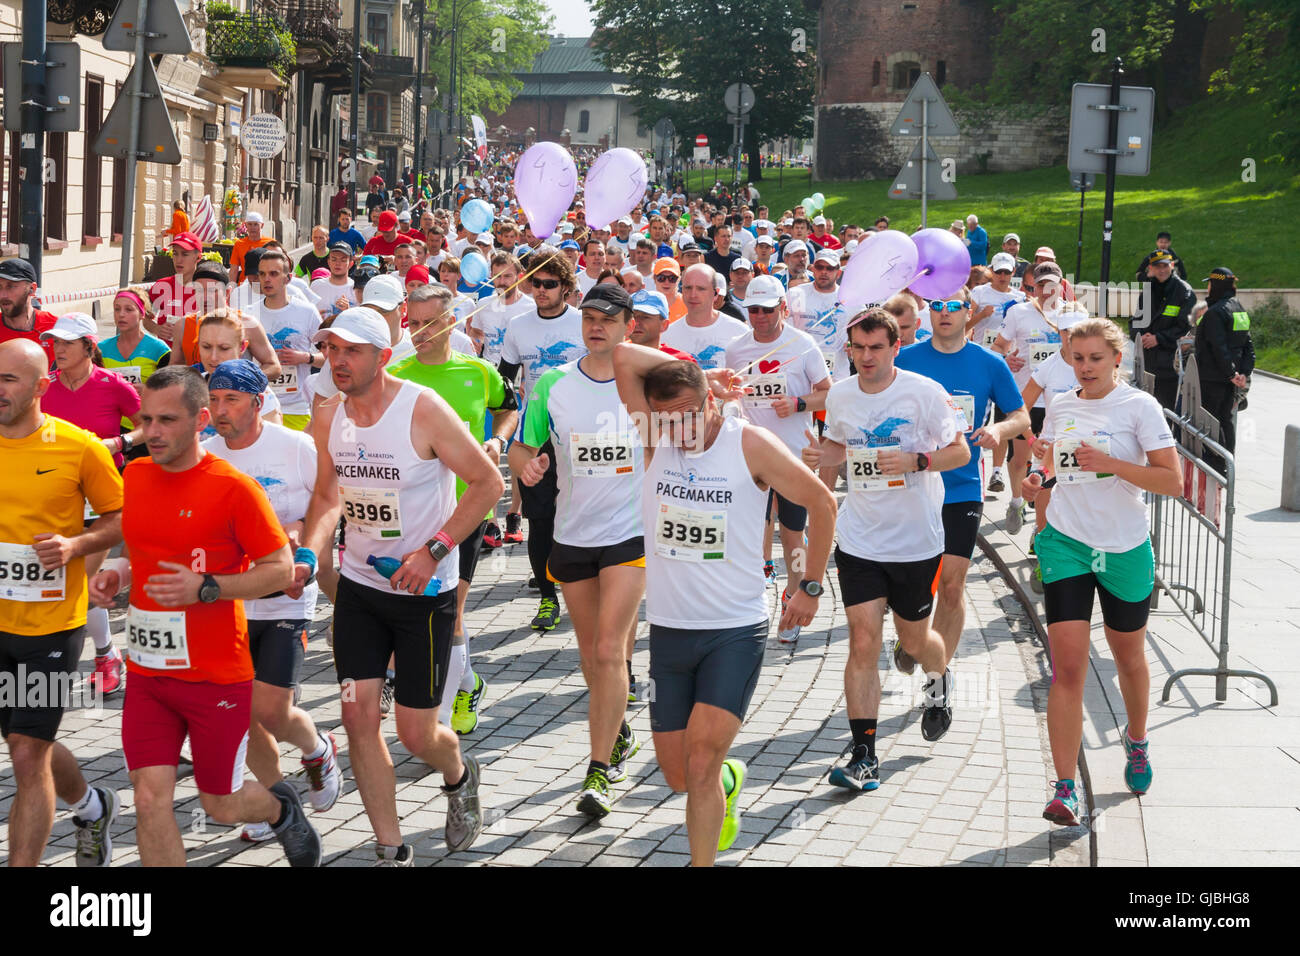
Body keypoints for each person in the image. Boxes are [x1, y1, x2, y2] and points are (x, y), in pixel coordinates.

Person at [88, 365, 323, 866]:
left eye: (166, 420)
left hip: (215, 677)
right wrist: (118, 572)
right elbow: (143, 546)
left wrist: (208, 588)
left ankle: (282, 812)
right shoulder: (138, 475)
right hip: (150, 675)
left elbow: (281, 569)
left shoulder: (234, 488)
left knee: (220, 804)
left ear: (200, 420)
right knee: (150, 800)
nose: (151, 432)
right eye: (146, 420)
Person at [613, 344, 835, 865]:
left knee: (703, 759)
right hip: (669, 627)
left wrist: (809, 585)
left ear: (711, 401)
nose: (679, 428)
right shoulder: (655, 438)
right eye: (666, 418)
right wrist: (700, 369)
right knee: (677, 775)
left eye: (690, 412)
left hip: (735, 628)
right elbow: (623, 355)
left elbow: (822, 503)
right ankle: (729, 782)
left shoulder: (748, 444)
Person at [299, 307, 502, 865]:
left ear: (383, 356)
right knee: (356, 717)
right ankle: (391, 847)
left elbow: (488, 484)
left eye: (351, 351)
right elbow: (325, 498)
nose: (338, 361)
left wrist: (433, 550)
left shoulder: (422, 408)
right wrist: (309, 554)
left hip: (424, 593)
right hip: (360, 590)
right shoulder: (328, 415)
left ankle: (459, 775)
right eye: (331, 350)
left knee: (416, 735)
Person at [1023, 318, 1181, 825]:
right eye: (1078, 358)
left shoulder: (1139, 407)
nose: (1085, 367)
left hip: (1123, 546)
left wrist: (1111, 463)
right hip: (1066, 541)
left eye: (1095, 358)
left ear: (1117, 360)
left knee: (1128, 657)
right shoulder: (1064, 403)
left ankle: (1136, 740)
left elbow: (1172, 481)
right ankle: (1065, 787)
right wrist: (1037, 478)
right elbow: (1051, 462)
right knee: (1066, 669)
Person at [803, 308, 968, 790]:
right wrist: (818, 471)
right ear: (849, 349)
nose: (867, 357)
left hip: (915, 540)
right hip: (860, 537)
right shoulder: (841, 394)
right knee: (862, 641)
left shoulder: (923, 393)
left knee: (916, 643)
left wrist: (919, 458)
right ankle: (864, 756)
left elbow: (959, 452)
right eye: (859, 348)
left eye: (877, 348)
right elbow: (836, 450)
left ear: (896, 347)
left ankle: (939, 683)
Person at [201, 359, 342, 842]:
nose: (219, 410)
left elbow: (327, 502)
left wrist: (301, 543)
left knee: (271, 710)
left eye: (231, 400)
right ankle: (272, 800)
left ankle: (317, 747)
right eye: (214, 400)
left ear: (259, 403)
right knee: (241, 712)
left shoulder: (296, 447)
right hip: (230, 602)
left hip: (285, 598)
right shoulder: (206, 455)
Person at [517, 284, 645, 817]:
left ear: (627, 327)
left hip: (631, 534)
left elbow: (687, 433)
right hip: (573, 536)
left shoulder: (643, 384)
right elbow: (525, 443)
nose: (596, 327)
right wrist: (525, 465)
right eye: (590, 318)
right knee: (592, 653)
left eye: (608, 320)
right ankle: (618, 732)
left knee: (609, 649)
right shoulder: (553, 385)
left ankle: (597, 774)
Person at [0, 338, 124, 867]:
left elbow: (121, 518)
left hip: (50, 624)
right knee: (26, 740)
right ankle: (92, 804)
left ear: (41, 386)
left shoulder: (79, 447)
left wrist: (76, 545)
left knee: (27, 752)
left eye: (9, 380)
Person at [390, 285, 518, 734]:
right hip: (410, 511)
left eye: (430, 322)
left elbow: (510, 408)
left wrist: (497, 440)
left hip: (466, 508)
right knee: (414, 611)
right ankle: (467, 680)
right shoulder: (398, 374)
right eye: (413, 322)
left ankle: (440, 721)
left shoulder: (480, 372)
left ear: (451, 322)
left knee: (453, 611)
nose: (420, 332)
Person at [896, 288, 1030, 672]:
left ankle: (936, 681)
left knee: (952, 586)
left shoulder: (989, 363)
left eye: (954, 306)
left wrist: (999, 430)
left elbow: (1021, 415)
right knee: (913, 587)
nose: (945, 312)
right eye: (937, 304)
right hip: (912, 489)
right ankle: (915, 640)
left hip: (962, 487)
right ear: (929, 312)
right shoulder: (905, 361)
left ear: (968, 313)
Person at [724, 274, 832, 642]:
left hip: (792, 455)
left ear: (783, 308)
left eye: (768, 310)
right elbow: (734, 393)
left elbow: (827, 394)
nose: (760, 317)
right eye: (753, 310)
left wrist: (799, 403)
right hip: (751, 454)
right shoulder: (736, 349)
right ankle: (748, 602)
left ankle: (794, 593)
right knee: (750, 531)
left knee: (792, 534)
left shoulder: (803, 345)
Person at [499, 250, 587, 632]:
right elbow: (504, 379)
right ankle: (549, 599)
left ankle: (583, 590)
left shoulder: (584, 323)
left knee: (580, 514)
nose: (540, 290)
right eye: (534, 282)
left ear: (566, 288)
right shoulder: (518, 325)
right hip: (537, 434)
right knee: (540, 517)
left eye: (549, 284)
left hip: (581, 431)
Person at [993, 261, 1068, 534]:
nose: (1046, 291)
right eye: (1041, 286)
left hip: (1058, 399)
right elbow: (999, 345)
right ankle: (1016, 502)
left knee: (1051, 462)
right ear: (1032, 287)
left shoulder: (1071, 315)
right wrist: (1007, 357)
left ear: (1061, 286)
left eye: (1052, 285)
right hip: (1024, 395)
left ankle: (1043, 526)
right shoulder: (1019, 313)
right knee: (1021, 459)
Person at [466, 252, 534, 547]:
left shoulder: (529, 306)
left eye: (508, 276)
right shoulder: (483, 306)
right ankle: (491, 522)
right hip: (489, 384)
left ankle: (515, 514)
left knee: (517, 455)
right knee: (489, 451)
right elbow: (474, 331)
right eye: (498, 277)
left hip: (519, 385)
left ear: (518, 275)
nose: (503, 282)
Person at [970, 253, 1027, 493]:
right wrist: (981, 315)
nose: (1003, 277)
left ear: (1014, 272)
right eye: (999, 272)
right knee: (979, 416)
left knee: (1003, 419)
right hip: (981, 362)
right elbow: (963, 325)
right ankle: (973, 461)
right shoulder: (979, 294)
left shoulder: (1020, 298)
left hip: (1005, 364)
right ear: (992, 271)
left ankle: (996, 472)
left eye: (1007, 272)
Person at [253, 249, 322, 431]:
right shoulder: (249, 313)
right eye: (262, 274)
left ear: (288, 278)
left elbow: (330, 356)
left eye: (274, 274)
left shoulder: (307, 312)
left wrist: (306, 358)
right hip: (260, 405)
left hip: (297, 408)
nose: (267, 279)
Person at [1194, 266, 1254, 473]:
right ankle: (1228, 463)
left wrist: (1230, 373)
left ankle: (1217, 463)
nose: (1208, 288)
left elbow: (1219, 348)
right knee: (1226, 420)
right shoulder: (1238, 308)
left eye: (1209, 283)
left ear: (1216, 285)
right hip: (1230, 378)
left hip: (1212, 377)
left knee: (1212, 420)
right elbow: (1247, 345)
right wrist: (1243, 373)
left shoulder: (1215, 313)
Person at [1132, 250, 1196, 412]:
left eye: (1165, 266)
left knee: (1165, 411)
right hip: (1146, 361)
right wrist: (1141, 337)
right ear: (1151, 269)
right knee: (1144, 411)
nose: (1162, 270)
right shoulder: (1148, 290)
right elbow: (1136, 320)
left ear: (1172, 265)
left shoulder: (1184, 292)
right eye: (1157, 266)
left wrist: (1158, 338)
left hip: (1170, 365)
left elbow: (1185, 327)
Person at [661, 264, 747, 369]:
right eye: (688, 288)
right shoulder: (666, 336)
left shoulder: (739, 332)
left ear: (716, 294)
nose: (693, 295)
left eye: (701, 289)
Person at [100, 290, 172, 413]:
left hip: (145, 422)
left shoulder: (160, 350)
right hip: (111, 421)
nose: (121, 314)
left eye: (129, 309)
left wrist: (148, 390)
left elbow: (172, 391)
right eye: (117, 309)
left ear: (142, 314)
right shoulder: (101, 349)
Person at [0, 258, 59, 366]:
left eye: (11, 286)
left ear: (32, 288)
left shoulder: (56, 328)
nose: (3, 295)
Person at [312, 242, 359, 319]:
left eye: (343, 260)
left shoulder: (357, 289)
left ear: (350, 264)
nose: (338, 263)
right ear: (329, 262)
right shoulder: (316, 285)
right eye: (334, 259)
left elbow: (361, 321)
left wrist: (348, 311)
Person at [230, 212, 273, 285]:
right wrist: (231, 286)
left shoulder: (270, 243)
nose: (252, 227)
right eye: (249, 224)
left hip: (265, 284)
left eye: (256, 224)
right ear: (245, 225)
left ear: (262, 225)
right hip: (244, 284)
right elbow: (234, 269)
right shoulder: (239, 244)